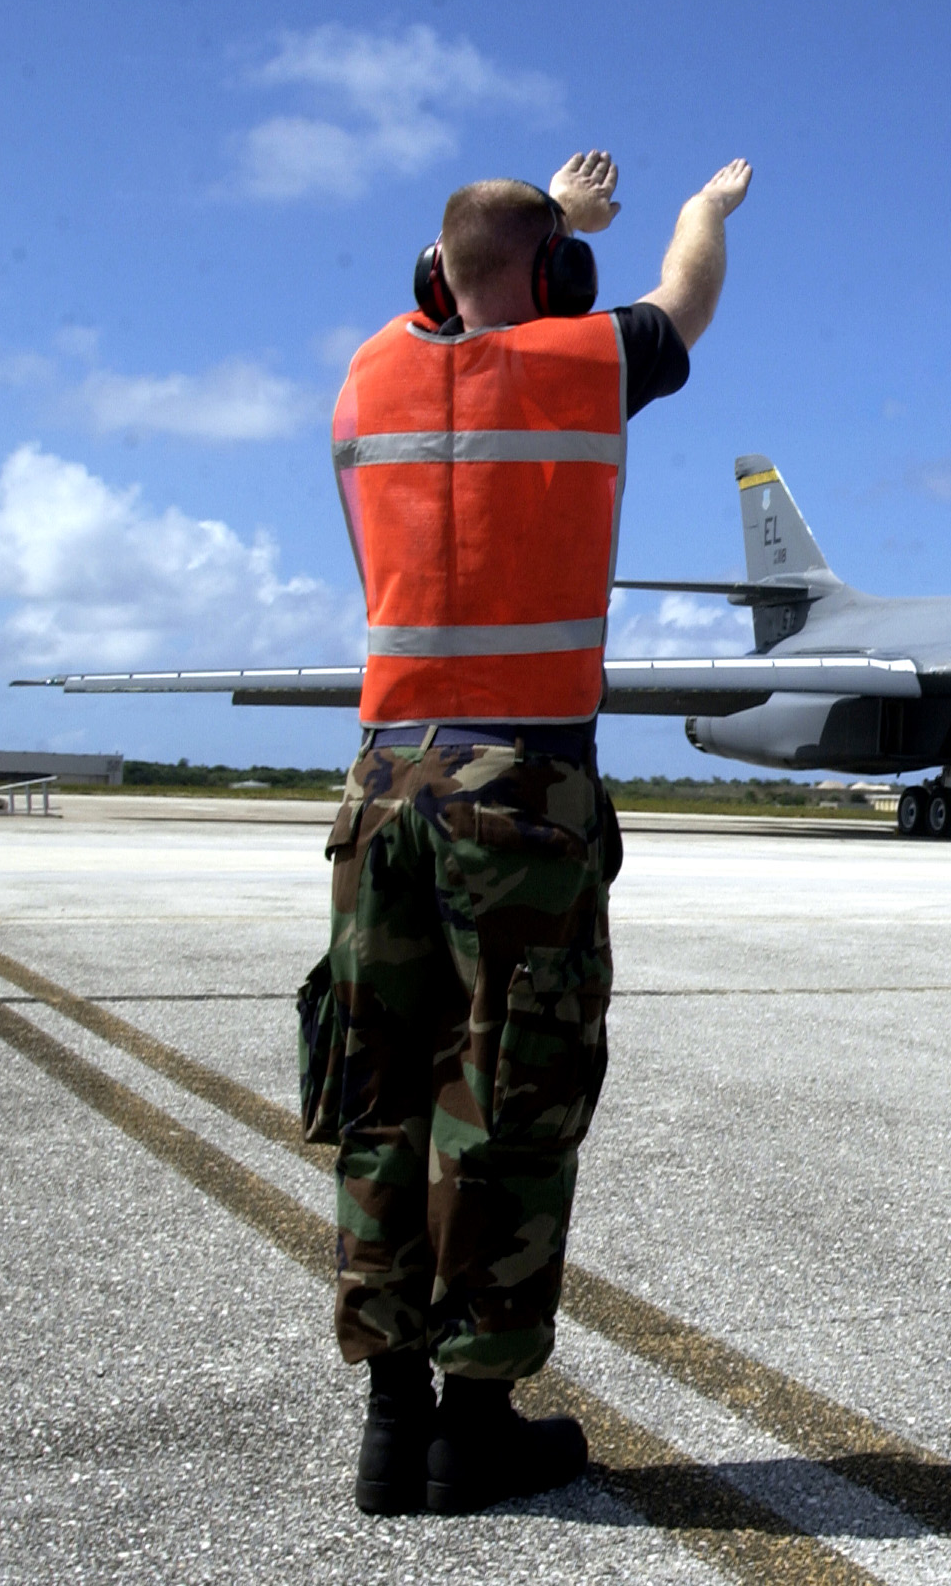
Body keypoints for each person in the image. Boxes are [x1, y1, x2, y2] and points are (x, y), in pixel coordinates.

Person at [308, 148, 751, 1516]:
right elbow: (685, 298)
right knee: (507, 1101)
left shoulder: (364, 380)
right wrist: (699, 213)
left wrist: (547, 218)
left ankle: (392, 1425)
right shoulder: (583, 360)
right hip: (526, 792)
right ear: (556, 277)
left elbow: (459, 283)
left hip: (382, 786)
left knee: (382, 1094)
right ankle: (475, 1422)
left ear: (434, 271)